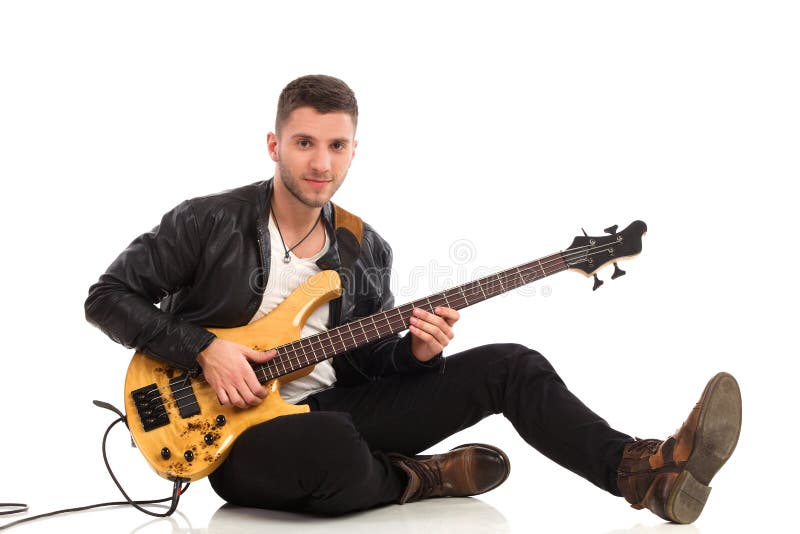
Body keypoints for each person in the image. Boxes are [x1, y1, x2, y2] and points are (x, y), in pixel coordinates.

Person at [85, 74, 742, 523]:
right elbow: (107, 297)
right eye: (305, 143)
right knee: (335, 446)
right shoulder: (208, 223)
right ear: (275, 145)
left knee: (511, 364)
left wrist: (417, 354)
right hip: (231, 439)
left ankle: (642, 472)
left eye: (336, 146)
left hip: (330, 405)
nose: (321, 162)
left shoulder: (364, 249)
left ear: (352, 150)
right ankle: (416, 479)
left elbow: (365, 363)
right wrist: (205, 350)